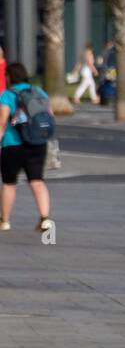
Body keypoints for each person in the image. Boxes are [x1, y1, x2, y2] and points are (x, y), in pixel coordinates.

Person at [0, 62, 54, 232]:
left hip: (13, 144)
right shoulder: (39, 92)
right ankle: (45, 219)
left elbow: (2, 121)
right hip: (37, 143)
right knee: (37, 181)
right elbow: (49, 116)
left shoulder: (7, 95)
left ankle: (5, 221)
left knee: (9, 183)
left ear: (9, 76)